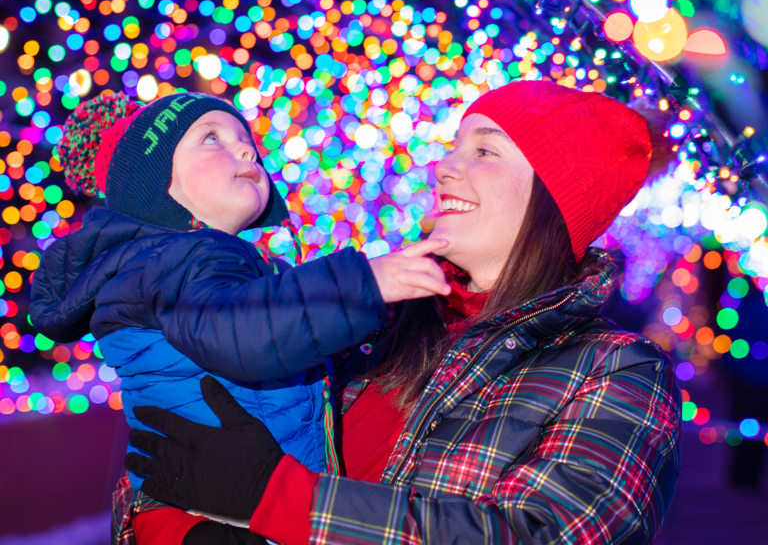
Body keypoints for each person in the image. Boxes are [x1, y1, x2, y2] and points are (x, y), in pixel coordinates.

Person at [127, 81, 683, 545]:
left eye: (484, 151)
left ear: (552, 199)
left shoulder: (617, 369)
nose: (443, 167)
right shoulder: (371, 323)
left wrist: (275, 496)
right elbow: (179, 437)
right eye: (454, 147)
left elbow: (546, 533)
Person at [29, 91, 450, 545]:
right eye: (211, 138)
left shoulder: (183, 262)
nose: (247, 148)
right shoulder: (179, 261)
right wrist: (362, 285)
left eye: (244, 137)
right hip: (214, 510)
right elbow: (239, 334)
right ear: (158, 188)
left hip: (230, 505)